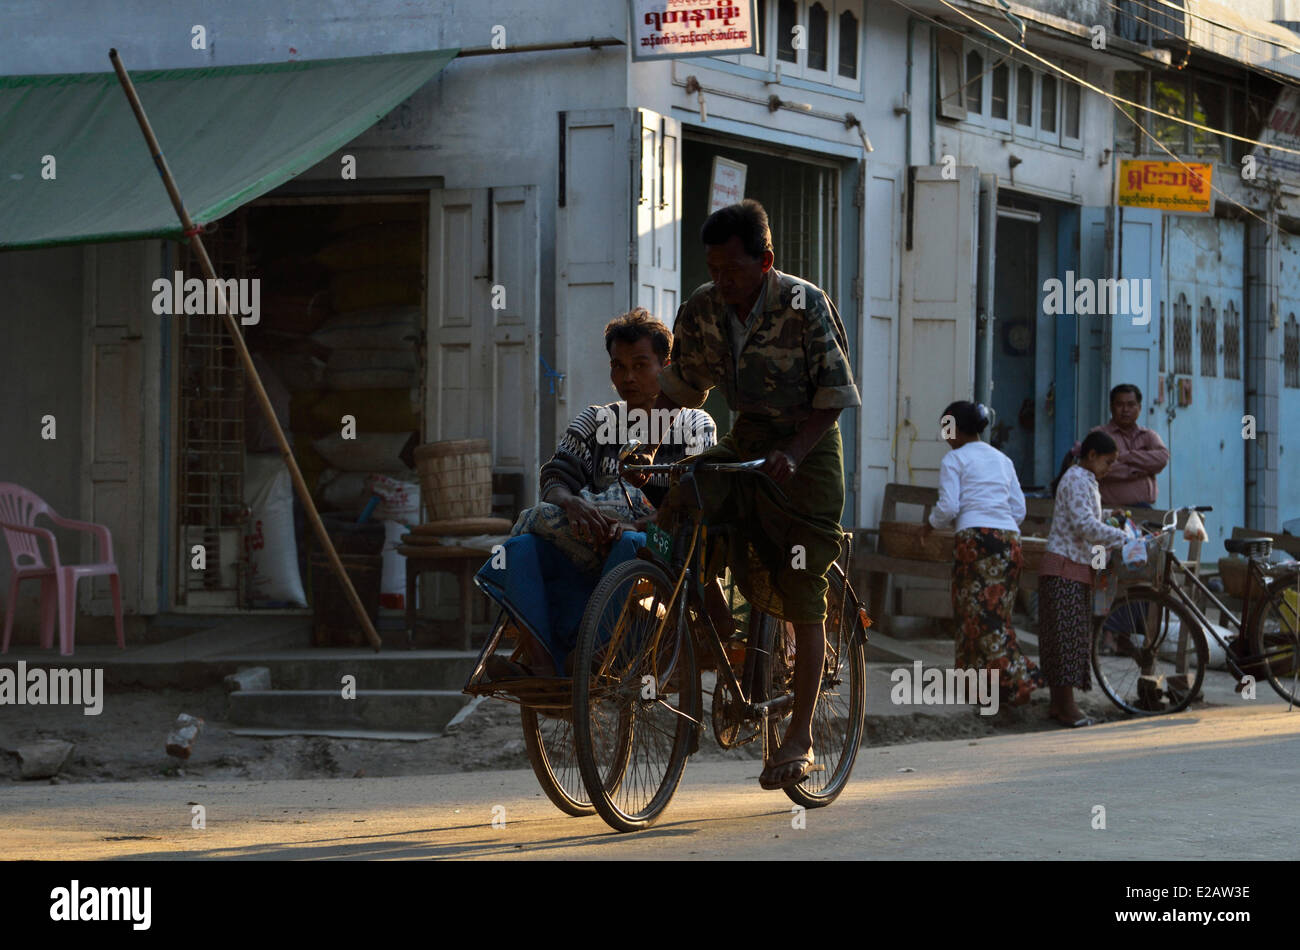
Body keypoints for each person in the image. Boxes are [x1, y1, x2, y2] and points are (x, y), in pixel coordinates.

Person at [642, 199, 861, 790]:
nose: (722, 281)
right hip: (746, 440)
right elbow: (684, 386)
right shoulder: (704, 306)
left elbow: (835, 397)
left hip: (807, 453)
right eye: (714, 268)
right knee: (680, 496)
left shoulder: (804, 303)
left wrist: (794, 451)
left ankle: (801, 733)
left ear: (765, 261)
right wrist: (643, 444)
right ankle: (711, 627)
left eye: (733, 270)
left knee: (801, 589)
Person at [476, 308, 716, 678]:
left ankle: (592, 660)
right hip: (590, 547)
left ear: (666, 366)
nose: (628, 378)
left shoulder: (694, 424)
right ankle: (545, 667)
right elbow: (555, 479)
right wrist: (572, 505)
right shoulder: (596, 421)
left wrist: (636, 523)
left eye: (640, 365)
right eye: (618, 367)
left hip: (667, 546)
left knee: (630, 541)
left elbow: (696, 498)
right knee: (517, 550)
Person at [924, 401, 1043, 708]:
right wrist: (999, 527)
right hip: (1008, 541)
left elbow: (948, 507)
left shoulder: (954, 459)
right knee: (997, 614)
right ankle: (992, 685)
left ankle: (1014, 680)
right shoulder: (1003, 459)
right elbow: (1019, 509)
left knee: (972, 615)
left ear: (954, 428)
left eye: (945, 428)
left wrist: (930, 525)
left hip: (974, 541)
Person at [1039, 431, 1129, 727]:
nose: (1110, 468)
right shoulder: (1078, 479)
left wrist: (1109, 521)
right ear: (1091, 456)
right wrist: (1122, 537)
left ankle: (1059, 705)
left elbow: (1087, 519)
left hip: (1072, 567)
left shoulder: (1084, 479)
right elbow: (1084, 525)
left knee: (1065, 639)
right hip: (1065, 568)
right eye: (1107, 461)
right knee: (1066, 640)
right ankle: (1066, 708)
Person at [1092, 383, 1169, 508]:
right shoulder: (1099, 435)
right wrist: (1139, 469)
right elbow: (1099, 468)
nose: (1125, 410)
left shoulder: (1148, 435)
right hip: (1108, 510)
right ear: (1111, 407)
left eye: (1131, 405)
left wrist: (1126, 456)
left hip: (1144, 509)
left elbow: (1162, 459)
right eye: (1120, 404)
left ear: (1139, 407)